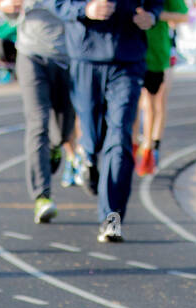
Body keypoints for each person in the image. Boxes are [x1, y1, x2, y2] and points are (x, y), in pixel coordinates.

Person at [48, 0, 163, 243]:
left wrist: (152, 16)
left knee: (120, 136)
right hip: (86, 56)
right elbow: (57, 4)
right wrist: (84, 10)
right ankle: (88, 157)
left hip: (128, 59)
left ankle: (112, 219)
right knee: (92, 137)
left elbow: (156, 3)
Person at [0, 0, 76, 223]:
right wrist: (5, 7)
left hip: (67, 56)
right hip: (31, 54)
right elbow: (3, 9)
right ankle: (42, 196)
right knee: (37, 123)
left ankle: (54, 146)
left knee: (62, 131)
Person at [134, 0, 188, 176]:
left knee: (155, 104)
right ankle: (136, 146)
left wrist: (156, 15)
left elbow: (183, 15)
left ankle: (151, 148)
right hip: (132, 51)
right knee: (137, 103)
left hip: (159, 52)